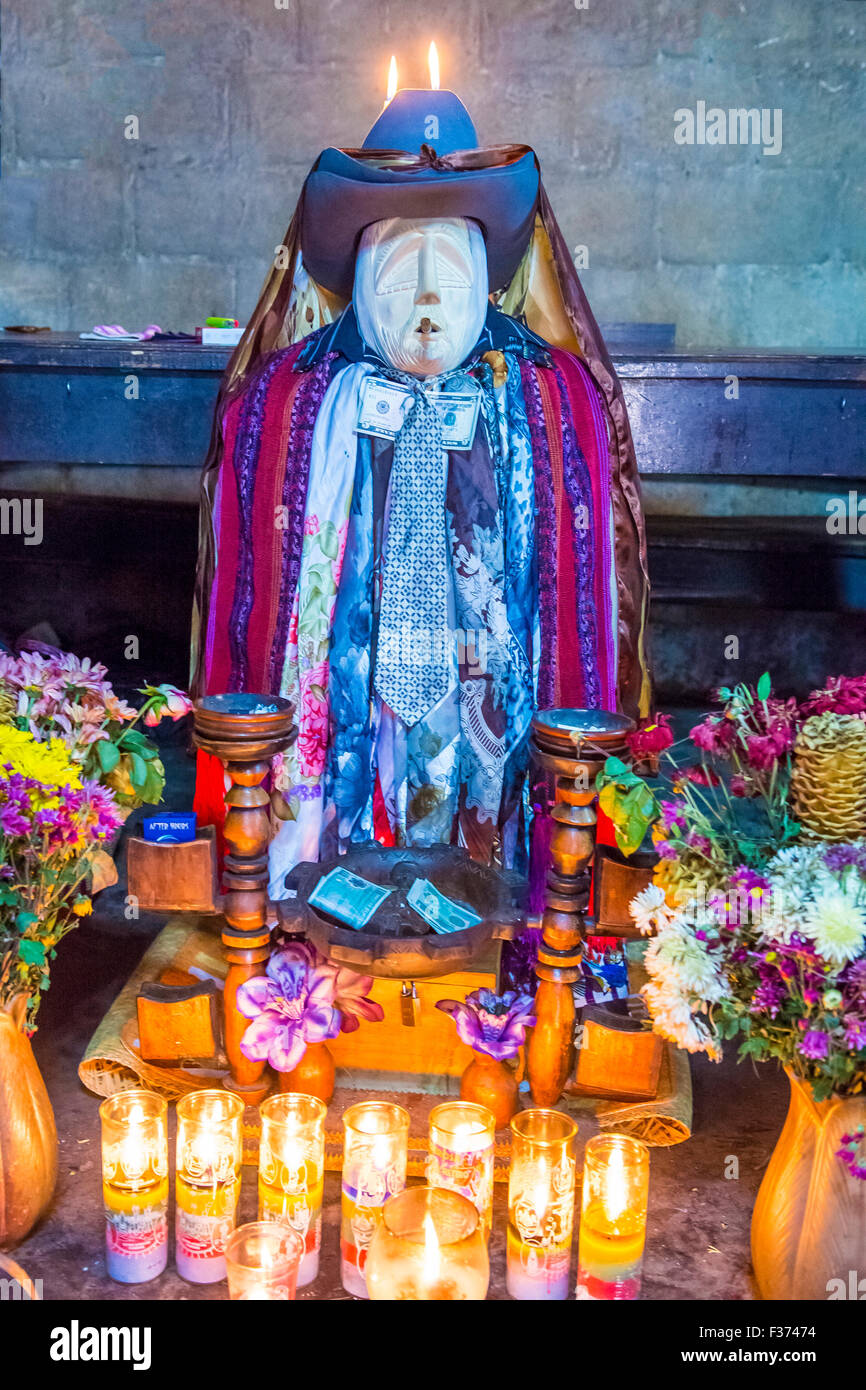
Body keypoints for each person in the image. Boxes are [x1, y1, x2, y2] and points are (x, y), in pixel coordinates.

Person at [191, 88, 650, 899]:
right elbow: (252, 598)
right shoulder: (286, 405)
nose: (431, 304)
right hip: (343, 727)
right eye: (404, 278)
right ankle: (321, 885)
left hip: (495, 718)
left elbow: (581, 591)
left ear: (488, 281)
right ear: (362, 284)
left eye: (451, 275)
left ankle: (509, 890)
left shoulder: (551, 400)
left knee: (499, 831)